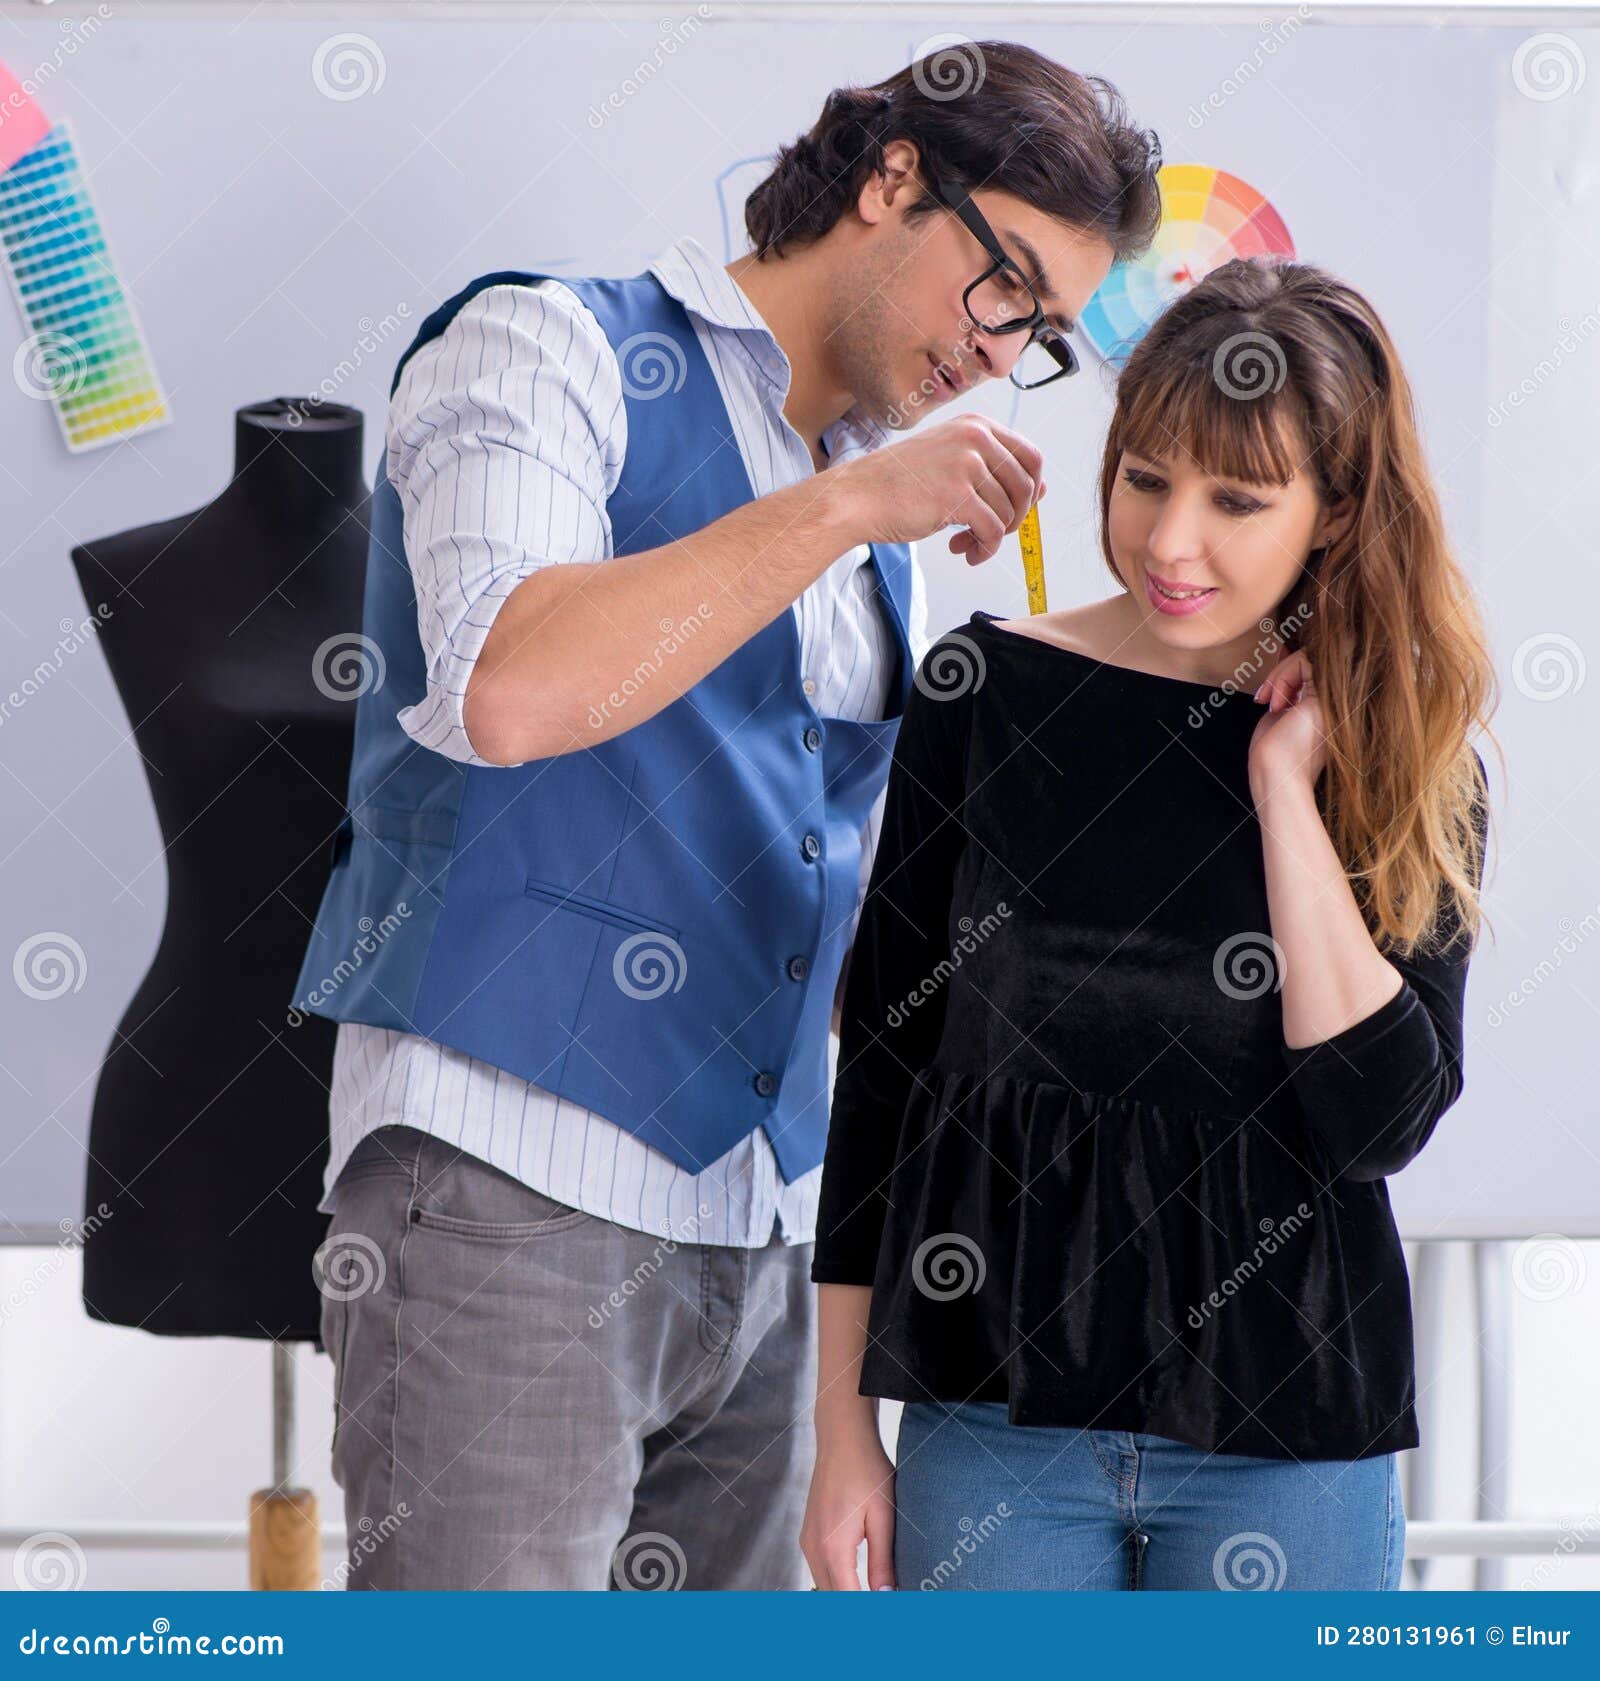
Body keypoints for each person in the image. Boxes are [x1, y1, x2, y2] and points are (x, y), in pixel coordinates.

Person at [298, 41, 1162, 1588]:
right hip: (508, 1187)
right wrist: (843, 507)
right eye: (1004, 284)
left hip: (762, 1240)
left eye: (1038, 331)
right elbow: (511, 685)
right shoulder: (543, 345)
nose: (1003, 345)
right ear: (898, 179)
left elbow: (827, 915)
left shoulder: (876, 536)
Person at [803, 256, 1498, 1592]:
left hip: (1292, 1442)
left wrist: (1287, 793)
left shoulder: (1407, 752)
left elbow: (1378, 1120)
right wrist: (841, 1430)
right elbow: (881, 1085)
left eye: (1239, 500)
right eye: (1147, 479)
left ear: (1335, 513)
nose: (1175, 540)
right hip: (997, 1425)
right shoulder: (983, 692)